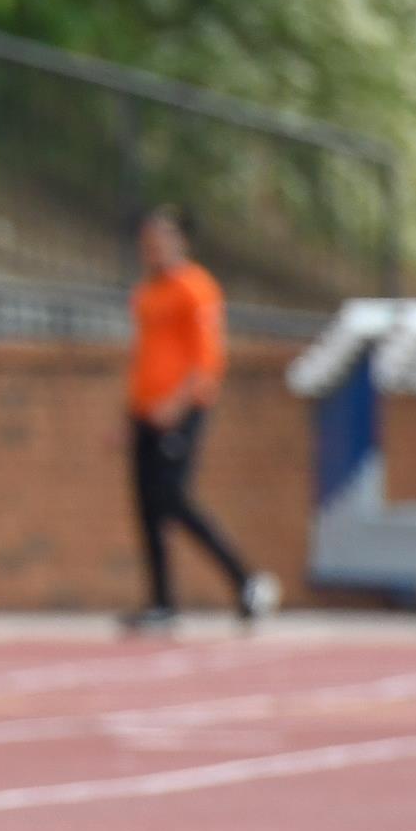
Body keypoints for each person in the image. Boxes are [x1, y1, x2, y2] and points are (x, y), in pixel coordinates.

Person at [120, 205, 280, 632]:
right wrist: (130, 411)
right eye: (147, 242)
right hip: (143, 414)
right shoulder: (146, 293)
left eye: (161, 240)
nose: (153, 249)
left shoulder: (196, 289)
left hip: (180, 413)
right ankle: (161, 603)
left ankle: (246, 582)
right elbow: (144, 359)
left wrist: (178, 403)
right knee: (147, 508)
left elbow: (208, 357)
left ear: (179, 242)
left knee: (174, 499)